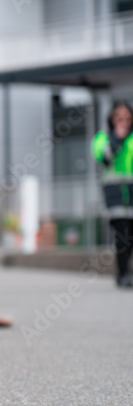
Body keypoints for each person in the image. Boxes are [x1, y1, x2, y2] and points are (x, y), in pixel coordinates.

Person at [92, 100, 133, 288]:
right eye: (119, 118)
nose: (123, 122)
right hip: (115, 196)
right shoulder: (103, 137)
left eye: (127, 118)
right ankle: (123, 273)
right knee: (123, 236)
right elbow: (102, 157)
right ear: (112, 119)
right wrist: (116, 140)